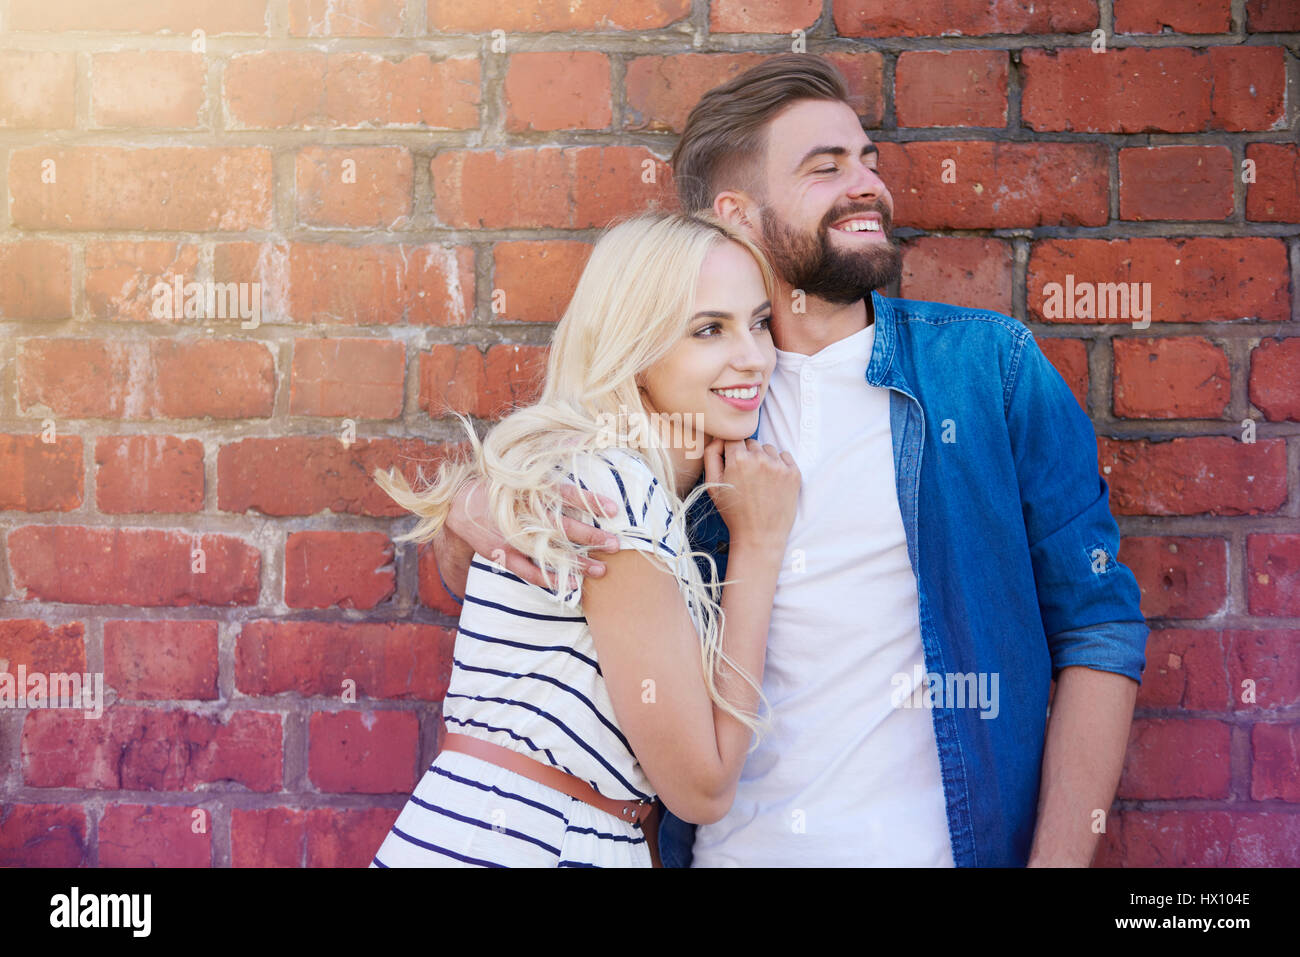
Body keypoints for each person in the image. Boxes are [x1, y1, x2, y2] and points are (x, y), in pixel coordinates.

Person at [434, 54, 1150, 868]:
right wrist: (478, 508)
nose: (867, 184)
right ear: (736, 215)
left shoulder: (989, 372)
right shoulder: (693, 401)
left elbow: (1099, 627)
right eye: (826, 167)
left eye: (867, 160)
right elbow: (538, 558)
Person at [368, 211, 801, 867]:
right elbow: (703, 787)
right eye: (709, 329)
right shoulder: (613, 494)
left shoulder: (589, 472)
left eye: (761, 321)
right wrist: (761, 544)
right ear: (636, 346)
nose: (755, 356)